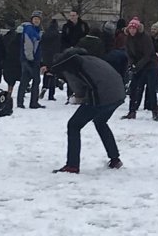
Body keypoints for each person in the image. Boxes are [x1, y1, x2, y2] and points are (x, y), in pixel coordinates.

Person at [49, 39, 124, 173]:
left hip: (103, 95)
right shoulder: (89, 58)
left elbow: (79, 91)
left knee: (74, 125)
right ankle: (115, 159)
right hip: (118, 93)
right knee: (100, 122)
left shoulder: (71, 67)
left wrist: (79, 97)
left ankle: (72, 165)